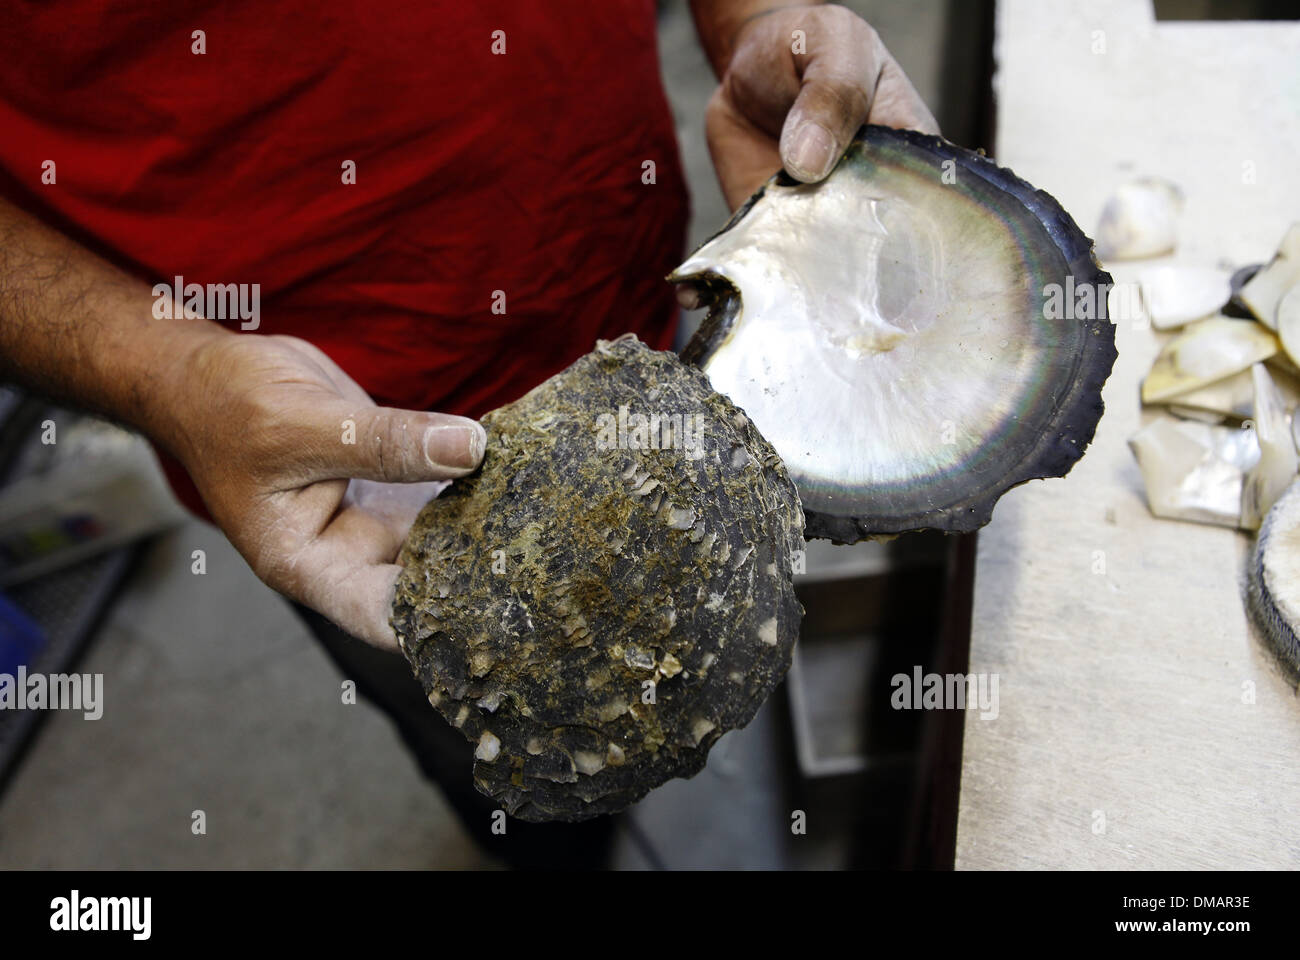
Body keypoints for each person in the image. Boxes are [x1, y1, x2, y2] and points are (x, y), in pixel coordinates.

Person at [0, 0, 936, 866]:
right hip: (347, 470)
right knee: (537, 779)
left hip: (624, 280)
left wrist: (753, 20)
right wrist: (165, 374)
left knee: (684, 653)